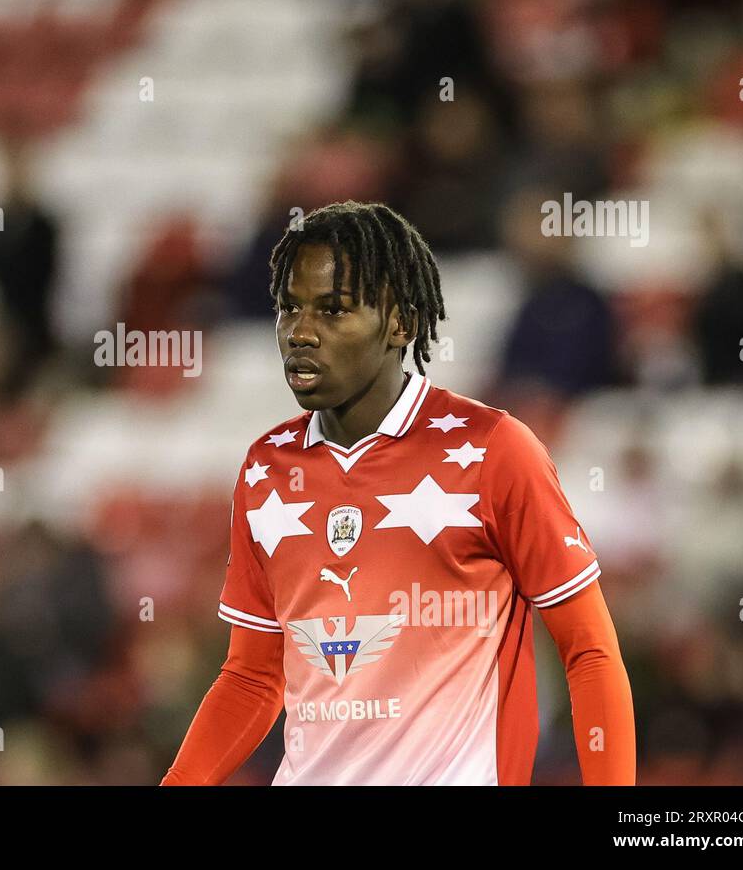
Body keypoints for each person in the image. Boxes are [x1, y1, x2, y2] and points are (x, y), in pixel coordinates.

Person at [162, 201, 635, 785]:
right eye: (290, 308)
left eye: (333, 310)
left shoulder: (493, 450)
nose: (301, 333)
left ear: (400, 323)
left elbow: (588, 650)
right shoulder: (267, 468)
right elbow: (253, 677)